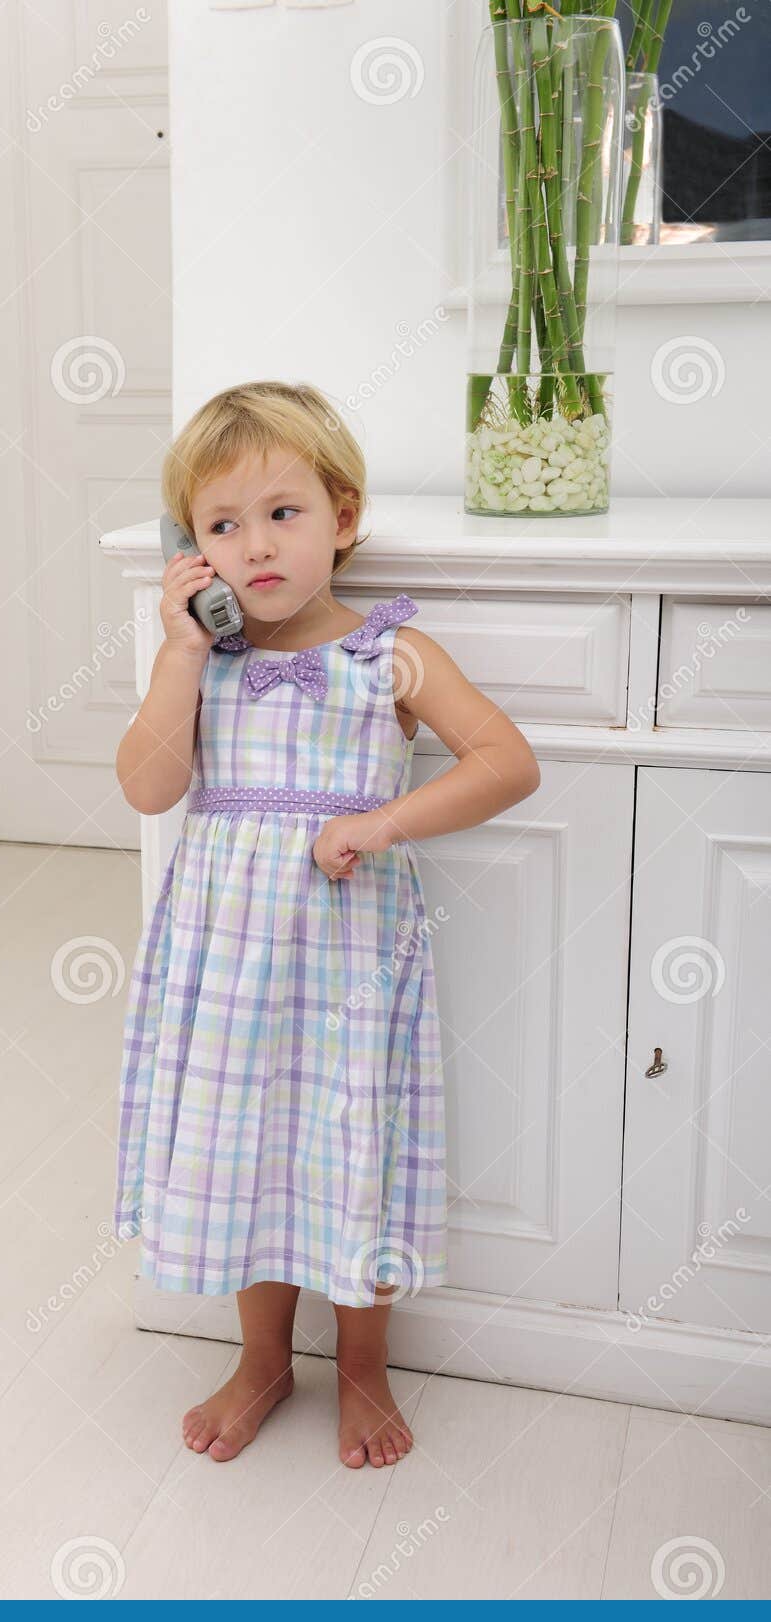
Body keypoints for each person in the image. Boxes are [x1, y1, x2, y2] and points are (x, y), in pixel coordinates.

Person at [113, 380, 540, 1470]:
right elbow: (148, 788)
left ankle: (361, 1364)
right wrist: (175, 655)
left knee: (355, 1149)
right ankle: (262, 1360)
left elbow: (506, 762)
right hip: (226, 969)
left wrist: (382, 820)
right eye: (221, 525)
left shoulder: (385, 653)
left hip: (347, 966)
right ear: (193, 550)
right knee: (246, 1156)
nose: (254, 546)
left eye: (281, 513)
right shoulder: (205, 663)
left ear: (341, 517)